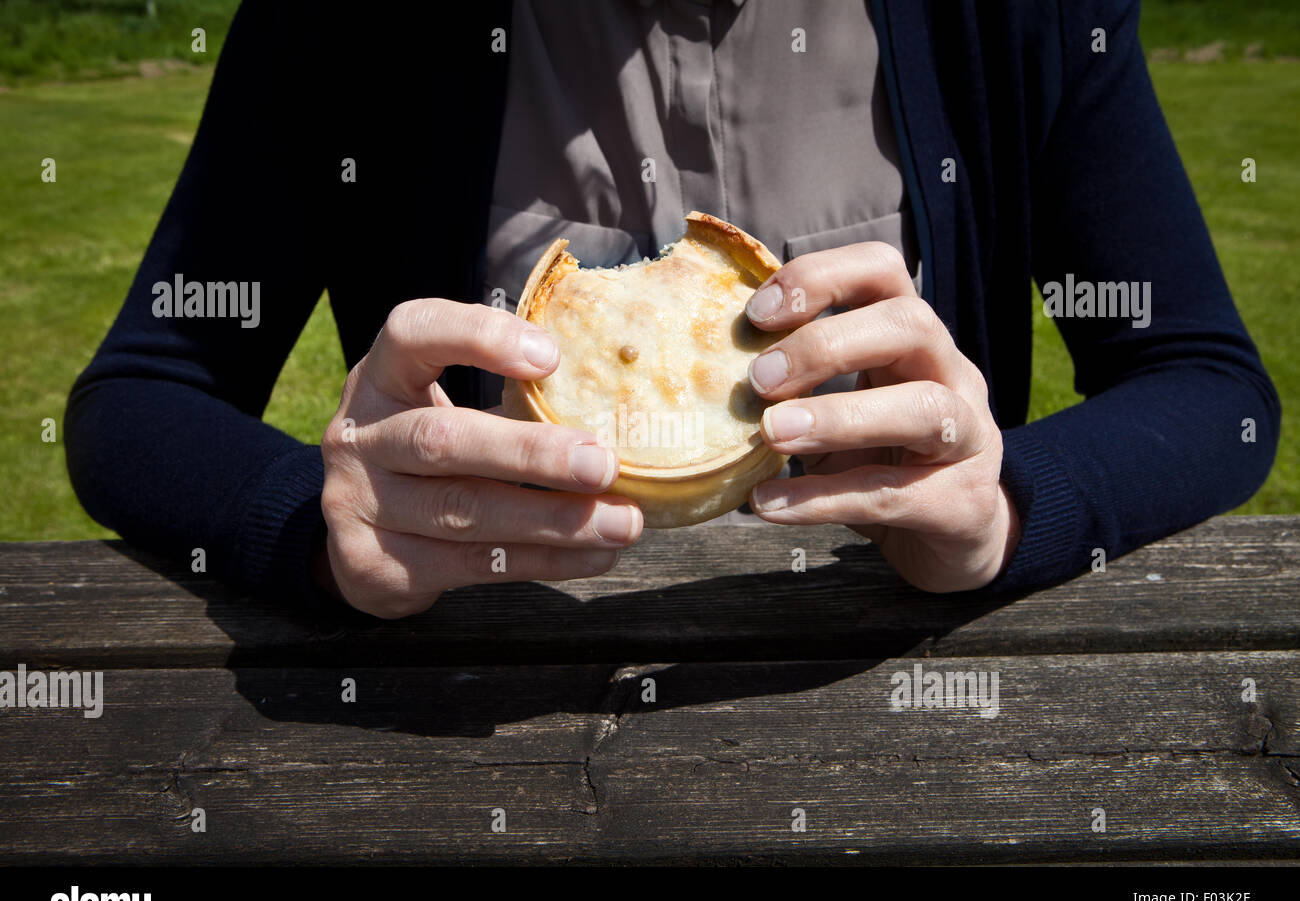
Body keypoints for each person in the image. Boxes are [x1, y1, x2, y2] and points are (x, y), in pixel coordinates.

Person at [66, 1, 1280, 619]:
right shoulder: (351, 28)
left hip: (901, 734)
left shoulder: (1009, 16)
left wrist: (1008, 502)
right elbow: (137, 399)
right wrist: (317, 525)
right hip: (482, 744)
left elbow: (1207, 385)